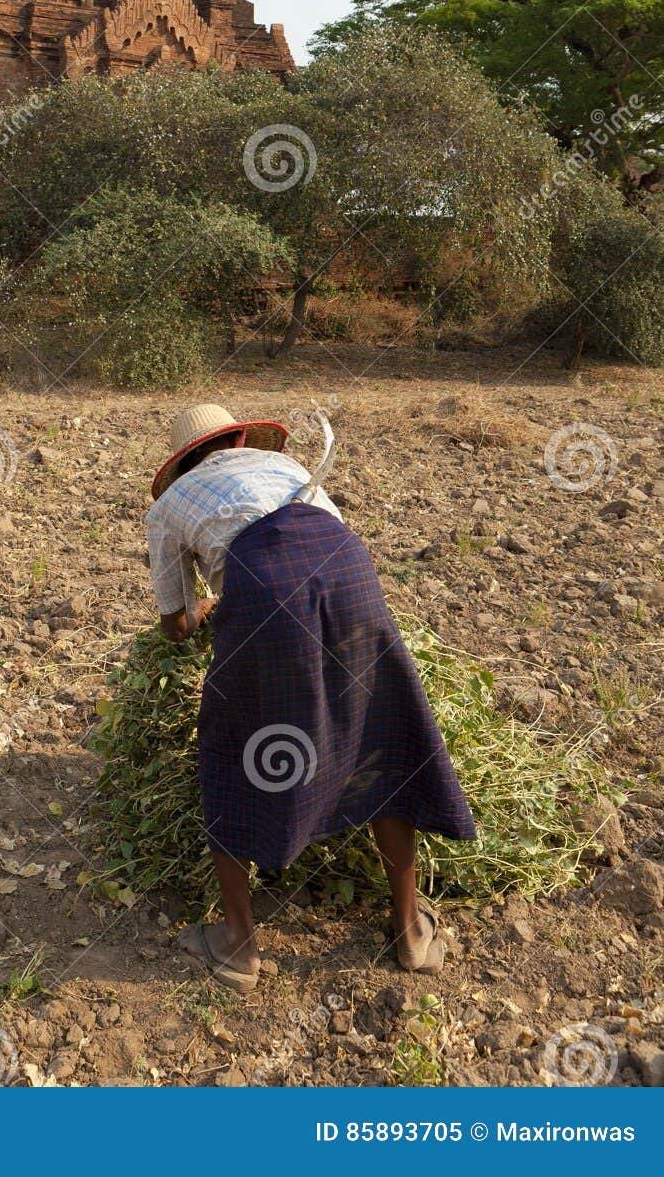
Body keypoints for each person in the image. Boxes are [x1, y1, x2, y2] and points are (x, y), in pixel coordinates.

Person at [146, 403, 476, 993]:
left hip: (266, 598)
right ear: (240, 440)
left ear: (183, 462)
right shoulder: (287, 467)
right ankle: (409, 933)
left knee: (231, 749)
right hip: (350, 573)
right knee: (381, 729)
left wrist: (205, 612)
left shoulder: (170, 506)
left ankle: (239, 946)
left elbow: (175, 623)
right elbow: (323, 542)